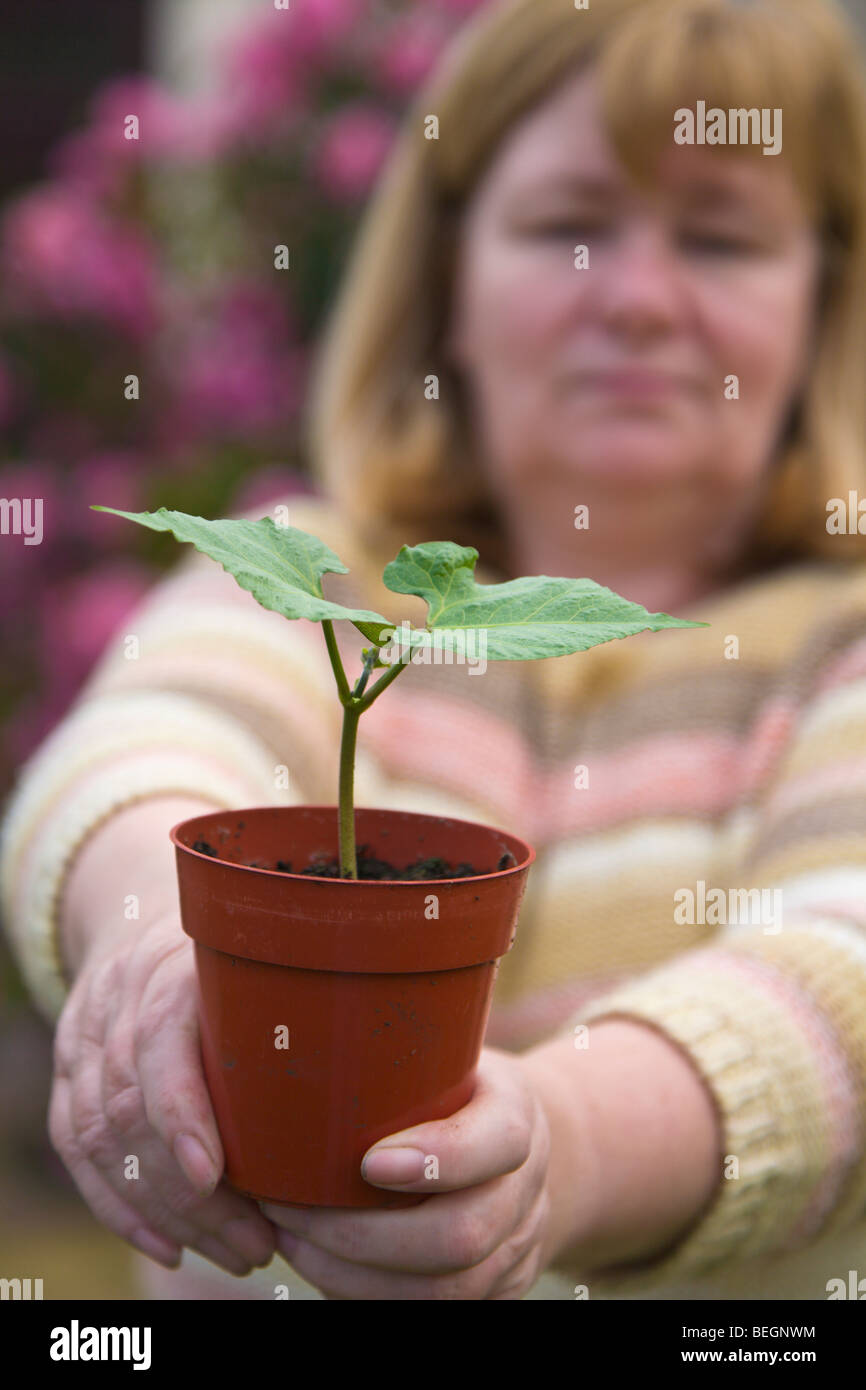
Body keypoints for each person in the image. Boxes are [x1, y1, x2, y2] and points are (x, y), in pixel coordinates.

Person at [3, 0, 866, 1301]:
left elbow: (841, 962)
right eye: (567, 226)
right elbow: (148, 740)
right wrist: (152, 951)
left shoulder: (840, 640)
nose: (635, 298)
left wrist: (560, 1152)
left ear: (823, 302)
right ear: (445, 283)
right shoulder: (319, 572)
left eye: (718, 236)